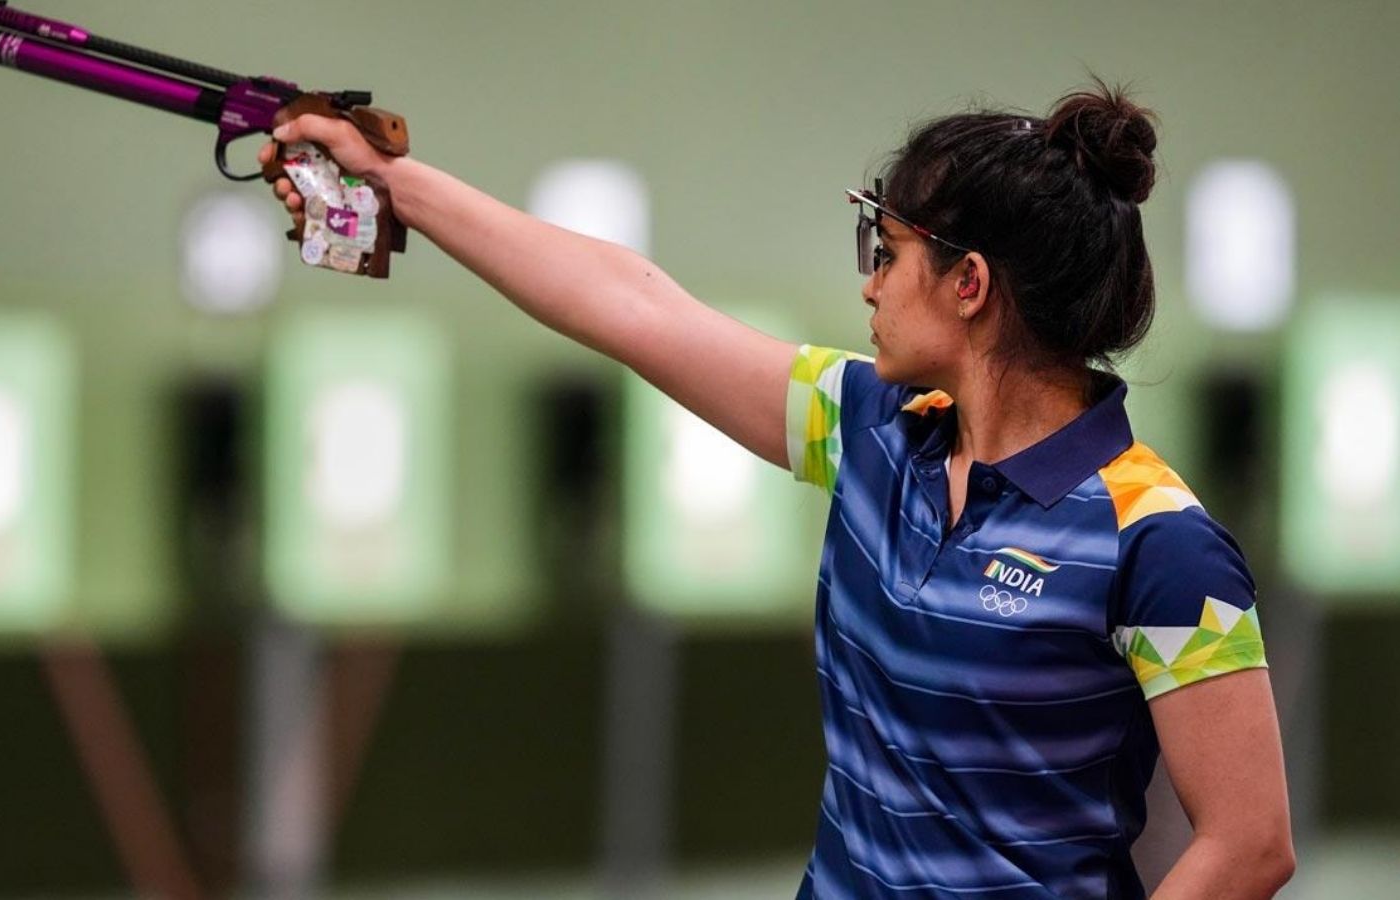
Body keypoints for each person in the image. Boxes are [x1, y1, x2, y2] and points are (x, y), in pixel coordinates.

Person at [260, 80, 1294, 898]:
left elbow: (1249, 847)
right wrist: (397, 182)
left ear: (969, 285)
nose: (869, 286)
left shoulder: (1159, 542)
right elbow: (634, 305)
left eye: (886, 255)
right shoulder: (872, 433)